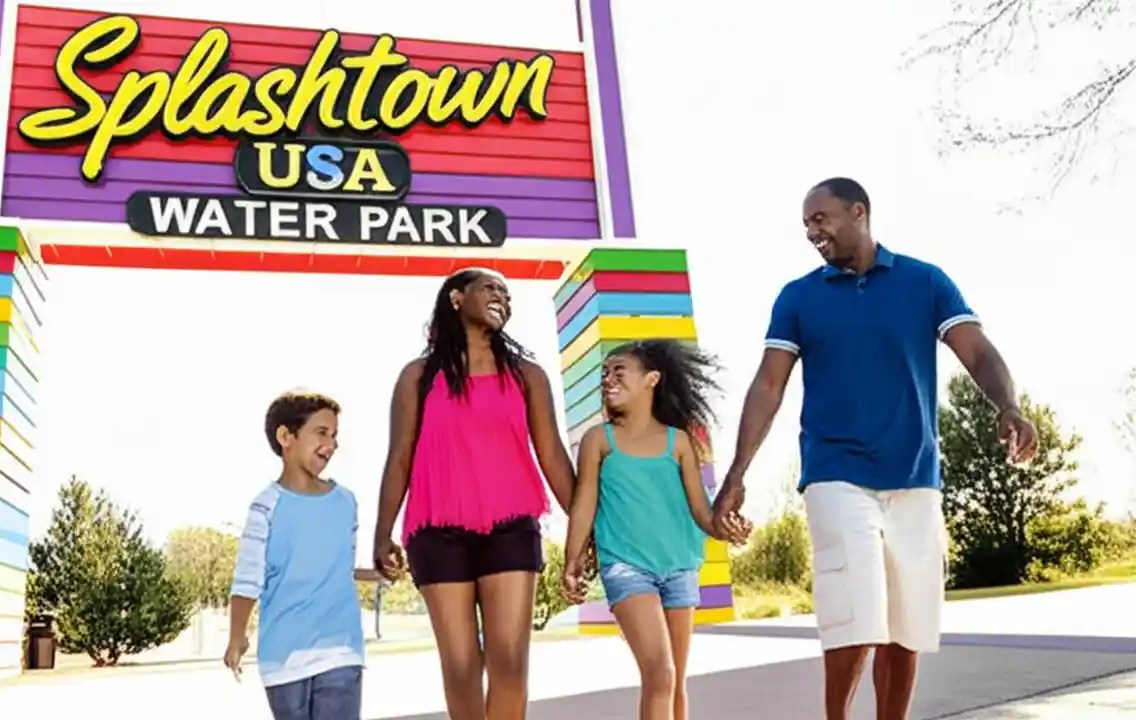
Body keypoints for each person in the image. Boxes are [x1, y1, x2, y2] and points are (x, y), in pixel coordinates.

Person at [711, 177, 1039, 720]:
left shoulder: (925, 282)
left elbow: (977, 351)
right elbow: (768, 385)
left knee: (905, 623)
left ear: (858, 212)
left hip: (914, 474)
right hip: (835, 472)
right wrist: (737, 472)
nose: (813, 232)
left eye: (821, 219)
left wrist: (1008, 406)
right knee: (855, 613)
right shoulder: (798, 297)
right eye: (806, 224)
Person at [371, 267, 576, 720]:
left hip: (511, 529)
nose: (502, 296)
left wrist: (586, 530)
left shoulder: (527, 376)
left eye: (507, 291)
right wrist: (382, 532)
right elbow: (399, 458)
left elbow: (554, 458)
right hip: (436, 533)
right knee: (462, 666)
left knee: (509, 661)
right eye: (491, 287)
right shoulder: (418, 377)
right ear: (457, 298)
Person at [560, 340, 750, 720]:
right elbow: (584, 505)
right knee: (659, 672)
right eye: (605, 373)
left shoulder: (678, 442)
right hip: (627, 568)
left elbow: (701, 511)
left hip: (679, 567)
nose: (608, 379)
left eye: (619, 371)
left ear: (652, 379)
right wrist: (572, 560)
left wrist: (726, 527)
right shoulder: (599, 440)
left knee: (675, 681)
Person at [224, 391, 364, 720]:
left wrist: (379, 573)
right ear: (286, 436)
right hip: (283, 659)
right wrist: (236, 636)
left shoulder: (346, 502)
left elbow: (342, 568)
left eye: (334, 435)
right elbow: (248, 578)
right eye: (321, 432)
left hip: (340, 651)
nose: (331, 444)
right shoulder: (266, 506)